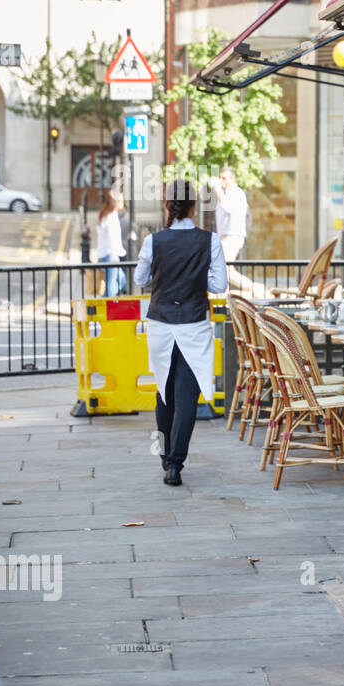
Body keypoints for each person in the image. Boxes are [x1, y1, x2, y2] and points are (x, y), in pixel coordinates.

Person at [135, 180, 228, 486]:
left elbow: (141, 278)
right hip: (194, 324)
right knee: (187, 395)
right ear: (194, 206)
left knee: (164, 392)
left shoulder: (154, 241)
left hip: (161, 324)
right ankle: (176, 464)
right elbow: (218, 286)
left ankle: (165, 457)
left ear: (167, 205)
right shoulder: (210, 240)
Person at [213, 166, 253, 292]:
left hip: (232, 235)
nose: (221, 181)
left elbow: (228, 208)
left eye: (224, 178)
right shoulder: (228, 193)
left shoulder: (236, 193)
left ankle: (252, 288)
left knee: (223, 268)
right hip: (227, 235)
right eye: (220, 177)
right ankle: (226, 293)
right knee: (224, 268)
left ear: (232, 179)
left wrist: (217, 190)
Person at [94, 189, 127, 297]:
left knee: (122, 280)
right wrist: (116, 256)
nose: (123, 203)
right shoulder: (110, 216)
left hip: (107, 254)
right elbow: (112, 238)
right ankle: (105, 309)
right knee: (111, 288)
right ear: (115, 202)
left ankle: (107, 305)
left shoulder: (106, 214)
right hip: (111, 256)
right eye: (121, 201)